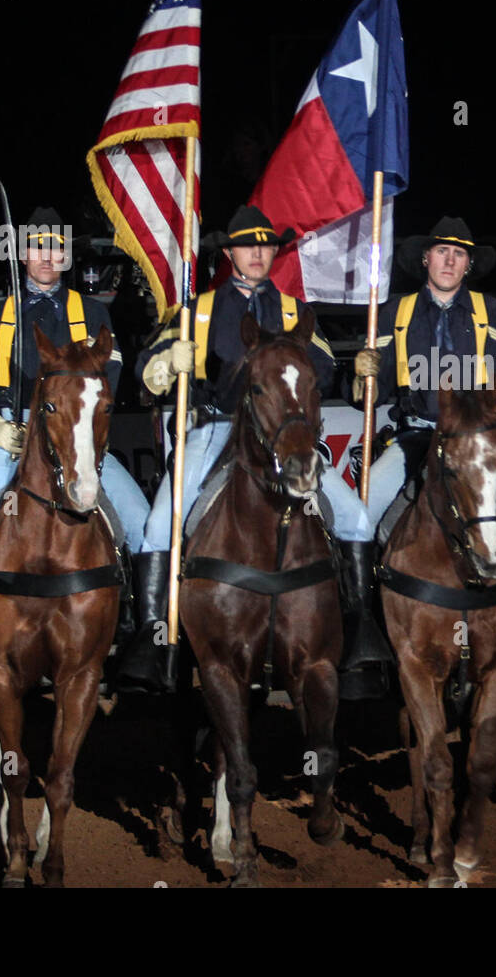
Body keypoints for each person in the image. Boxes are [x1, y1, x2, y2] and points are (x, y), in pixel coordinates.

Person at [127, 205, 390, 697]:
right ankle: (152, 639)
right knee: (158, 524)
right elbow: (145, 367)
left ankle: (359, 633)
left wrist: (359, 369)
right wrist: (166, 364)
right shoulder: (197, 310)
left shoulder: (293, 310)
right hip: (214, 430)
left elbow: (325, 369)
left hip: (285, 435)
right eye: (247, 246)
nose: (257, 254)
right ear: (229, 253)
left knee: (354, 517)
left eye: (266, 246)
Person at [0, 208, 151, 695]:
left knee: (142, 520)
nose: (47, 256)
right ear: (24, 253)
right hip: (17, 437)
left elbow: (105, 383)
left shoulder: (93, 314)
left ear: (66, 257)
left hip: (77, 438)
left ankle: (141, 637)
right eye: (38, 246)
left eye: (56, 247)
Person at [350, 216, 496, 680]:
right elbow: (365, 393)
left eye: (458, 253)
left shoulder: (490, 310)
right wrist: (362, 373)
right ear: (425, 259)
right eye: (441, 251)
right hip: (416, 437)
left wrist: (471, 413)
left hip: (476, 444)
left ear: (468, 264)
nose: (449, 260)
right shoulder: (394, 311)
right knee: (358, 521)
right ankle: (361, 634)